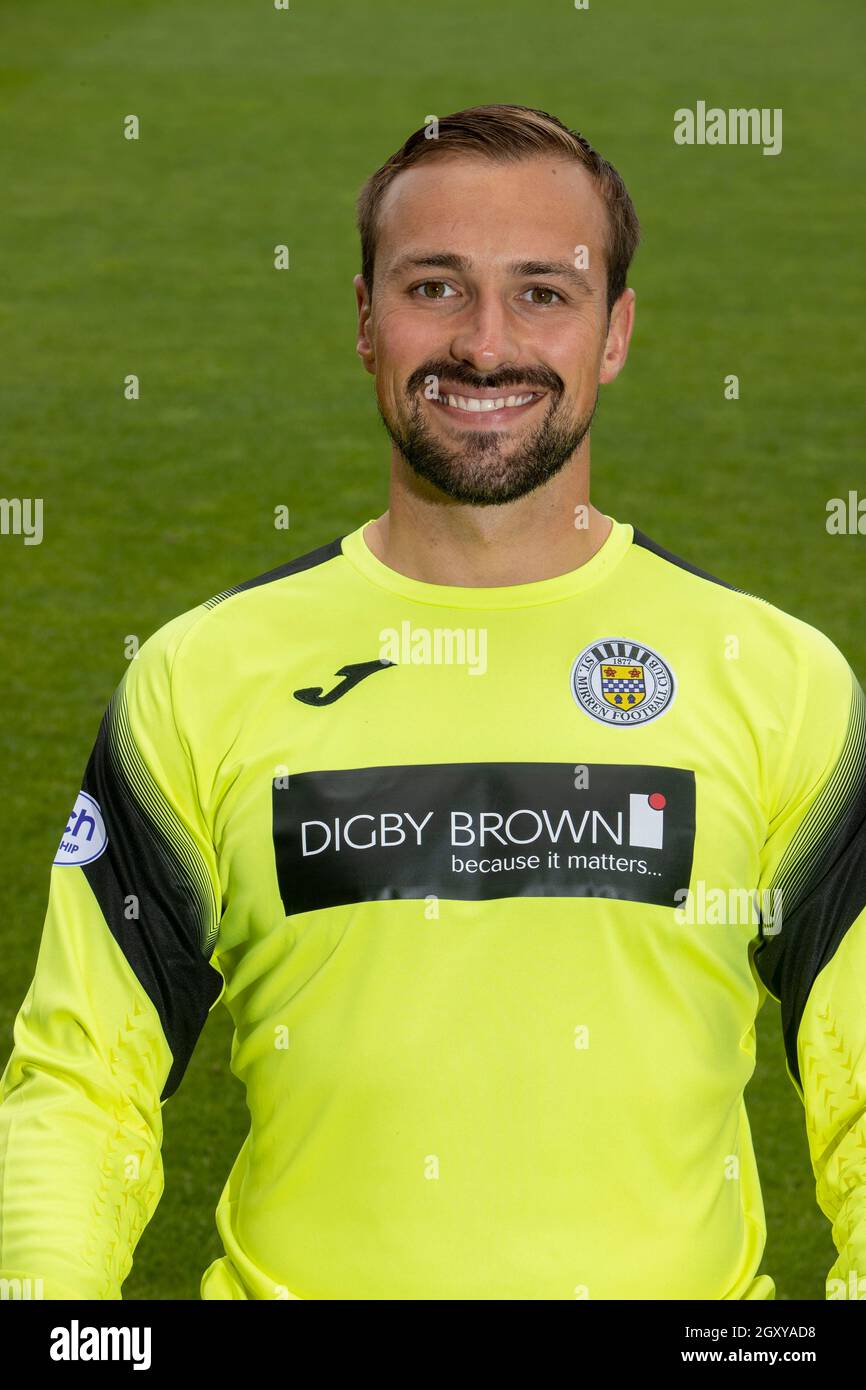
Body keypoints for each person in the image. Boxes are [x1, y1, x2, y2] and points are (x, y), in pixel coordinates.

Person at [1, 103, 864, 1301]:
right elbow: (82, 1083)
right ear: (364, 318)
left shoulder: (776, 679)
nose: (486, 344)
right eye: (436, 287)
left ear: (613, 333)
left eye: (543, 294)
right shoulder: (201, 675)